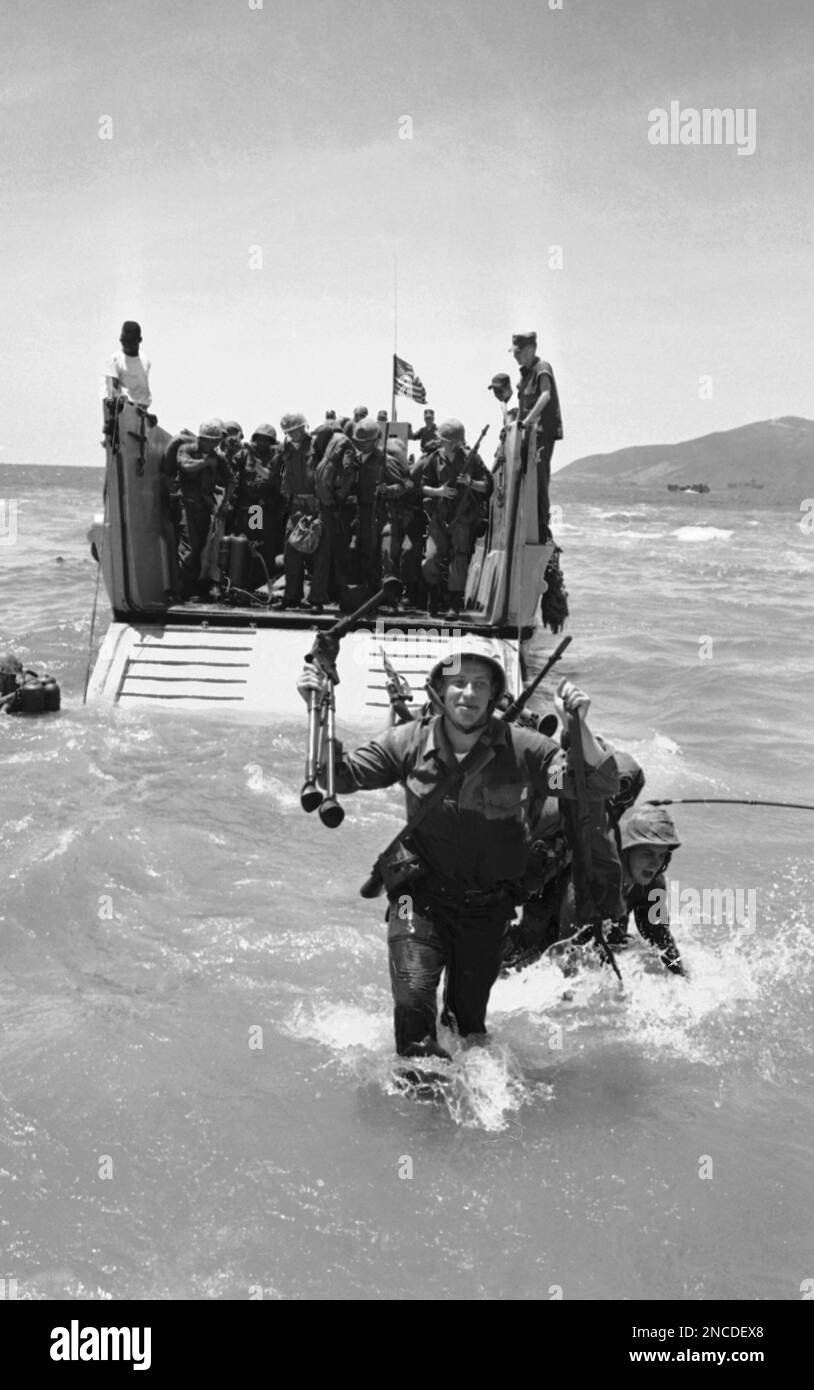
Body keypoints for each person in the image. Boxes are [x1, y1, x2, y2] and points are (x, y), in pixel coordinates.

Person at [296, 639, 619, 1066]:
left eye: (480, 684)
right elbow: (337, 775)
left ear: (493, 694)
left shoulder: (526, 750)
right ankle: (421, 1109)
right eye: (458, 683)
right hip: (419, 898)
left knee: (467, 1028)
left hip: (489, 909)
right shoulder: (408, 742)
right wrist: (315, 708)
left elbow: (595, 785)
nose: (468, 693)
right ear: (439, 691)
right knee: (413, 1004)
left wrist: (577, 724)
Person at [420, 418, 492, 616]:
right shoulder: (434, 459)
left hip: (462, 518)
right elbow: (421, 486)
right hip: (439, 518)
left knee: (458, 559)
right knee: (431, 559)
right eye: (446, 441)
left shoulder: (473, 459)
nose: (449, 445)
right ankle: (433, 597)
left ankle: (454, 604)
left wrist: (471, 482)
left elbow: (487, 486)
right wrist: (438, 491)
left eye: (452, 442)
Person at [605, 806, 686, 975]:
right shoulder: (599, 879)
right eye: (647, 853)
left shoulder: (653, 884)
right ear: (626, 851)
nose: (655, 863)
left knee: (620, 942)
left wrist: (682, 975)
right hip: (548, 929)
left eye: (661, 855)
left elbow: (661, 938)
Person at [511, 331, 562, 539]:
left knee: (539, 482)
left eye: (519, 352)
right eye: (514, 352)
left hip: (540, 435)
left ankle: (542, 530)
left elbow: (545, 395)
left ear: (531, 349)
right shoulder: (525, 375)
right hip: (527, 436)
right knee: (526, 481)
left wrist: (527, 421)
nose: (516, 356)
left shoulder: (542, 368)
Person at [308, 421, 357, 609]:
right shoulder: (346, 444)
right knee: (337, 551)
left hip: (323, 502)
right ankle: (337, 597)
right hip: (336, 505)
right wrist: (339, 497)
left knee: (324, 550)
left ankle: (320, 596)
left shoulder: (328, 446)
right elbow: (348, 471)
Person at [176, 419, 223, 600]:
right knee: (193, 548)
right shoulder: (196, 452)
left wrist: (225, 503)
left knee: (250, 537)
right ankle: (189, 587)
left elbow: (232, 481)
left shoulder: (228, 456)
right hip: (245, 509)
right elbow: (185, 466)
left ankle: (212, 583)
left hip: (253, 507)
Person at [278, 412, 319, 609]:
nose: (292, 434)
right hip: (294, 506)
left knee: (314, 550)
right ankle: (291, 596)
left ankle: (314, 598)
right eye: (288, 432)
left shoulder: (317, 446)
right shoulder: (285, 449)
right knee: (291, 549)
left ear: (304, 427)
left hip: (315, 504)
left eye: (295, 430)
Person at [351, 417, 386, 591]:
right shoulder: (354, 460)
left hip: (375, 512)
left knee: (373, 552)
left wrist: (387, 489)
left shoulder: (383, 460)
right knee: (358, 549)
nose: (362, 445)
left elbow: (406, 484)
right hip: (357, 512)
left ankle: (373, 590)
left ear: (375, 441)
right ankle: (361, 588)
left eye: (366, 442)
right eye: (359, 442)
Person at [102, 321, 152, 409]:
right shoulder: (115, 360)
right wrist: (119, 399)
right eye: (124, 341)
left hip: (142, 410)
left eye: (130, 341)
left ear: (139, 340)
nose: (126, 345)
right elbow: (111, 388)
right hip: (124, 411)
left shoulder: (145, 360)